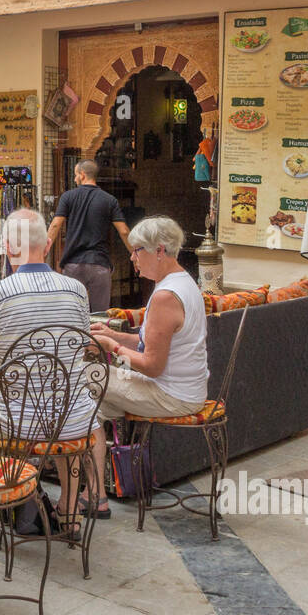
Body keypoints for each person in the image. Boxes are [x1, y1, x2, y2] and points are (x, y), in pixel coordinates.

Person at [0, 208, 95, 535]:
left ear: (9, 247)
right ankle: (70, 514)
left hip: (20, 422)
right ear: (46, 247)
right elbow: (80, 347)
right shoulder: (76, 290)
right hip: (77, 418)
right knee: (65, 416)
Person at [84, 216, 208, 519]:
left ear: (159, 251)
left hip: (172, 395)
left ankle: (94, 493)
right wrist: (114, 334)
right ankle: (95, 491)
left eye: (136, 250)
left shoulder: (165, 296)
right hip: (186, 388)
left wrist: (112, 348)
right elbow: (148, 341)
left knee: (79, 384)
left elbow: (151, 365)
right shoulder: (183, 282)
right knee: (89, 402)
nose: (131, 257)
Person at [46, 160, 132, 312]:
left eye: (75, 175)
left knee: (71, 313)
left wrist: (43, 252)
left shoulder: (68, 197)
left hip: (73, 265)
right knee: (100, 316)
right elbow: (124, 231)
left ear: (82, 175)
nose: (74, 179)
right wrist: (136, 254)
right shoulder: (109, 200)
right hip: (100, 264)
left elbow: (55, 225)